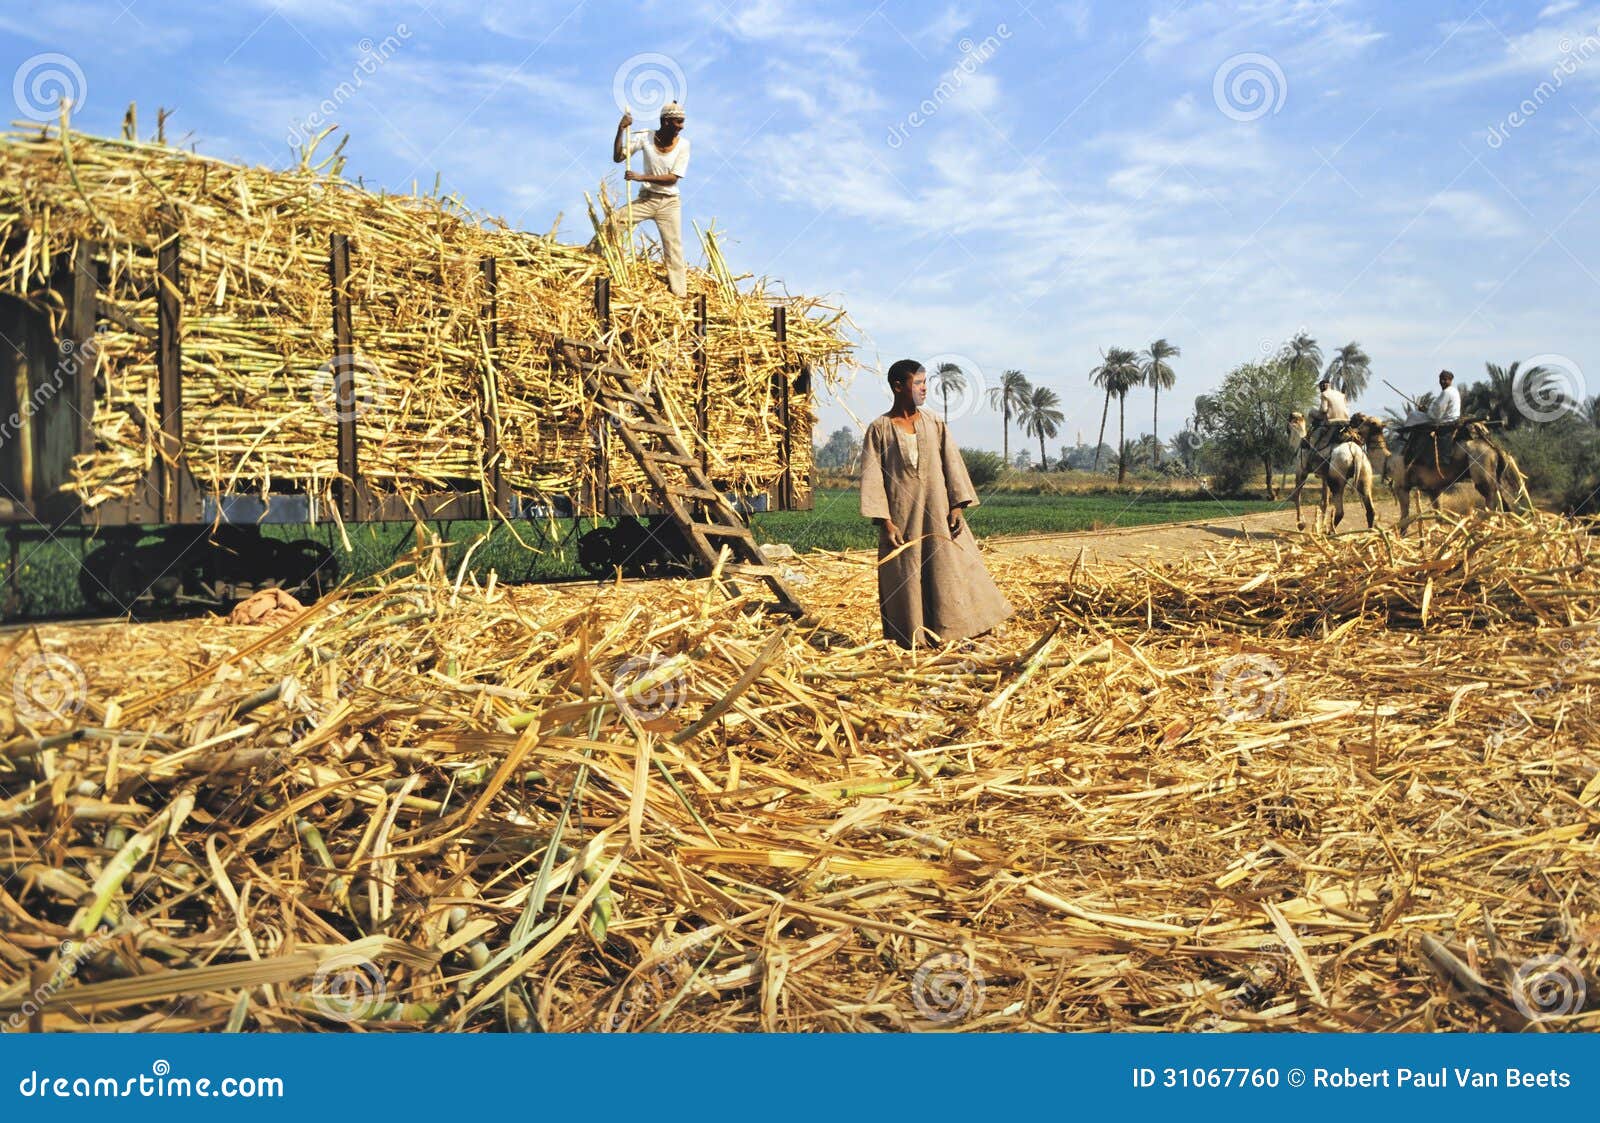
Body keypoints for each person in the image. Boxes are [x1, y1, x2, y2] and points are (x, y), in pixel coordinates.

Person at [858, 360, 1014, 649]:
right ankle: (915, 641)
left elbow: (952, 463)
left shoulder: (934, 423)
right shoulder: (879, 429)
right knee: (906, 576)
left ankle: (960, 630)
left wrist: (957, 505)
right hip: (902, 521)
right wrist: (886, 522)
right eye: (918, 383)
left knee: (951, 570)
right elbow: (872, 478)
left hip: (939, 515)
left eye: (925, 382)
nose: (924, 388)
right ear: (898, 387)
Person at [593, 102, 691, 296]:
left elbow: (672, 178)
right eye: (678, 121)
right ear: (666, 121)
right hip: (647, 199)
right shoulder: (645, 137)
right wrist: (621, 129)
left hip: (669, 204)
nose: (681, 126)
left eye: (682, 122)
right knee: (612, 223)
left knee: (674, 249)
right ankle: (591, 261)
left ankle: (680, 294)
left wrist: (641, 177)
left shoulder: (684, 145)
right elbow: (619, 157)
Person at [1307, 378, 1350, 444]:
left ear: (1322, 387)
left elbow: (1323, 410)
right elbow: (1346, 406)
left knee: (1311, 411)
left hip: (1332, 420)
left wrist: (1322, 410)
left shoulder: (1324, 394)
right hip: (1346, 420)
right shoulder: (1341, 394)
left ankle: (1309, 433)